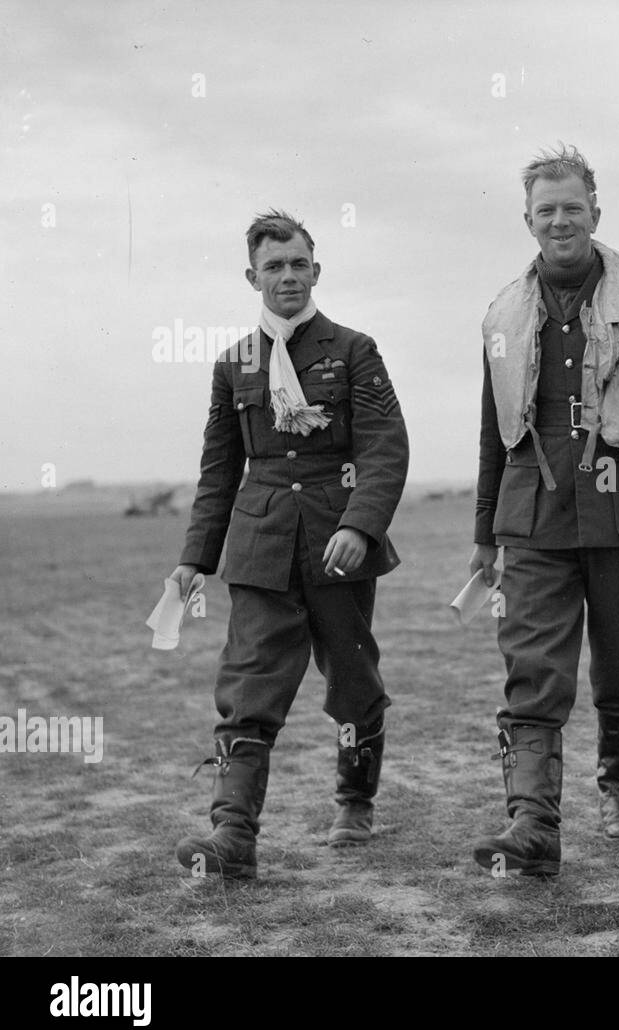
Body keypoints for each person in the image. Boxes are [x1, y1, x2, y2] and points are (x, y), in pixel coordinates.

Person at [470, 145, 619, 876]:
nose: (560, 221)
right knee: (532, 670)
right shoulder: (502, 313)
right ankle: (533, 826)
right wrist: (484, 535)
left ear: (596, 213)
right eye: (546, 210)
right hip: (533, 520)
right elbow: (495, 432)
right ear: (528, 220)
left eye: (572, 207)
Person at [171, 210, 409, 879]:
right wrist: (195, 557)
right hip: (262, 549)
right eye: (274, 267)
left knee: (354, 686)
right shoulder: (232, 366)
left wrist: (359, 526)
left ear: (317, 271)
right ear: (252, 276)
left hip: (339, 550)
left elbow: (385, 447)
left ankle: (354, 800)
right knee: (248, 690)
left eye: (299, 264)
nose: (288, 277)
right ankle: (233, 836)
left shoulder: (355, 350)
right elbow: (220, 470)